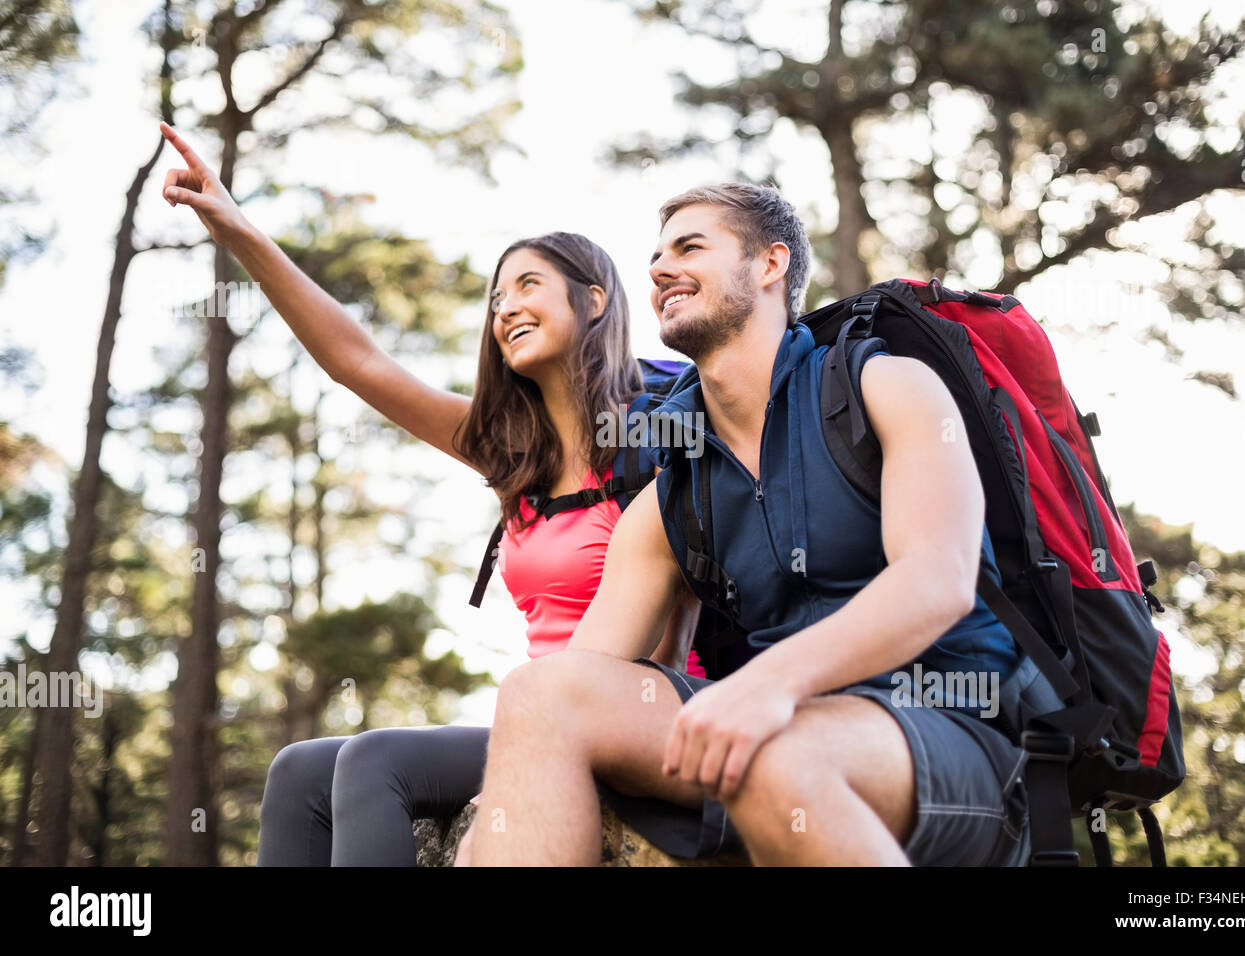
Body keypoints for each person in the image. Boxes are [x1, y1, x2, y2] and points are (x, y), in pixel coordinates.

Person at [156, 122, 704, 866]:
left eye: (529, 285)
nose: (505, 306)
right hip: (537, 714)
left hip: (638, 713)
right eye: (495, 296)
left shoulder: (658, 437)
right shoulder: (514, 452)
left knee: (378, 760)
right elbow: (359, 363)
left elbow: (674, 631)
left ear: (596, 300)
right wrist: (235, 226)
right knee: (299, 771)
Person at [466, 182, 1032, 866]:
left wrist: (767, 685)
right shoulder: (676, 486)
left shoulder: (883, 386)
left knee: (772, 757)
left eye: (690, 247)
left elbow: (938, 581)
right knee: (541, 692)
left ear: (771, 265)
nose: (658, 269)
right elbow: (588, 671)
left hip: (951, 731)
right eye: (655, 257)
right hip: (781, 722)